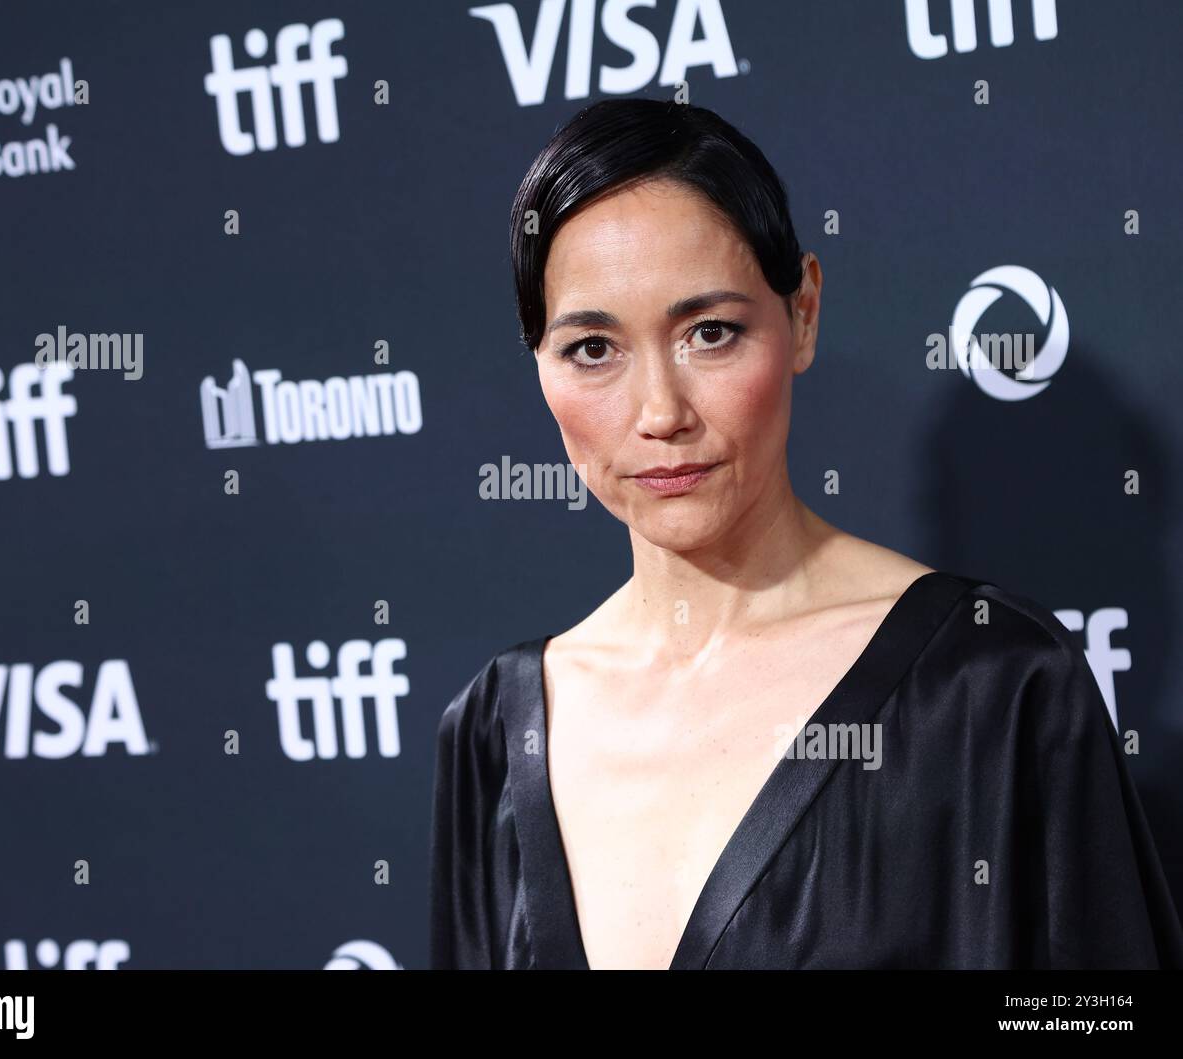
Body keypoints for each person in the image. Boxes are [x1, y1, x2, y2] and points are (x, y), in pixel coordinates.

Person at [429, 98, 1183, 970]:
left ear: (804, 315)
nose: (660, 413)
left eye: (710, 333)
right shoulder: (498, 727)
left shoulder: (992, 686)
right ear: (539, 367)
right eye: (593, 349)